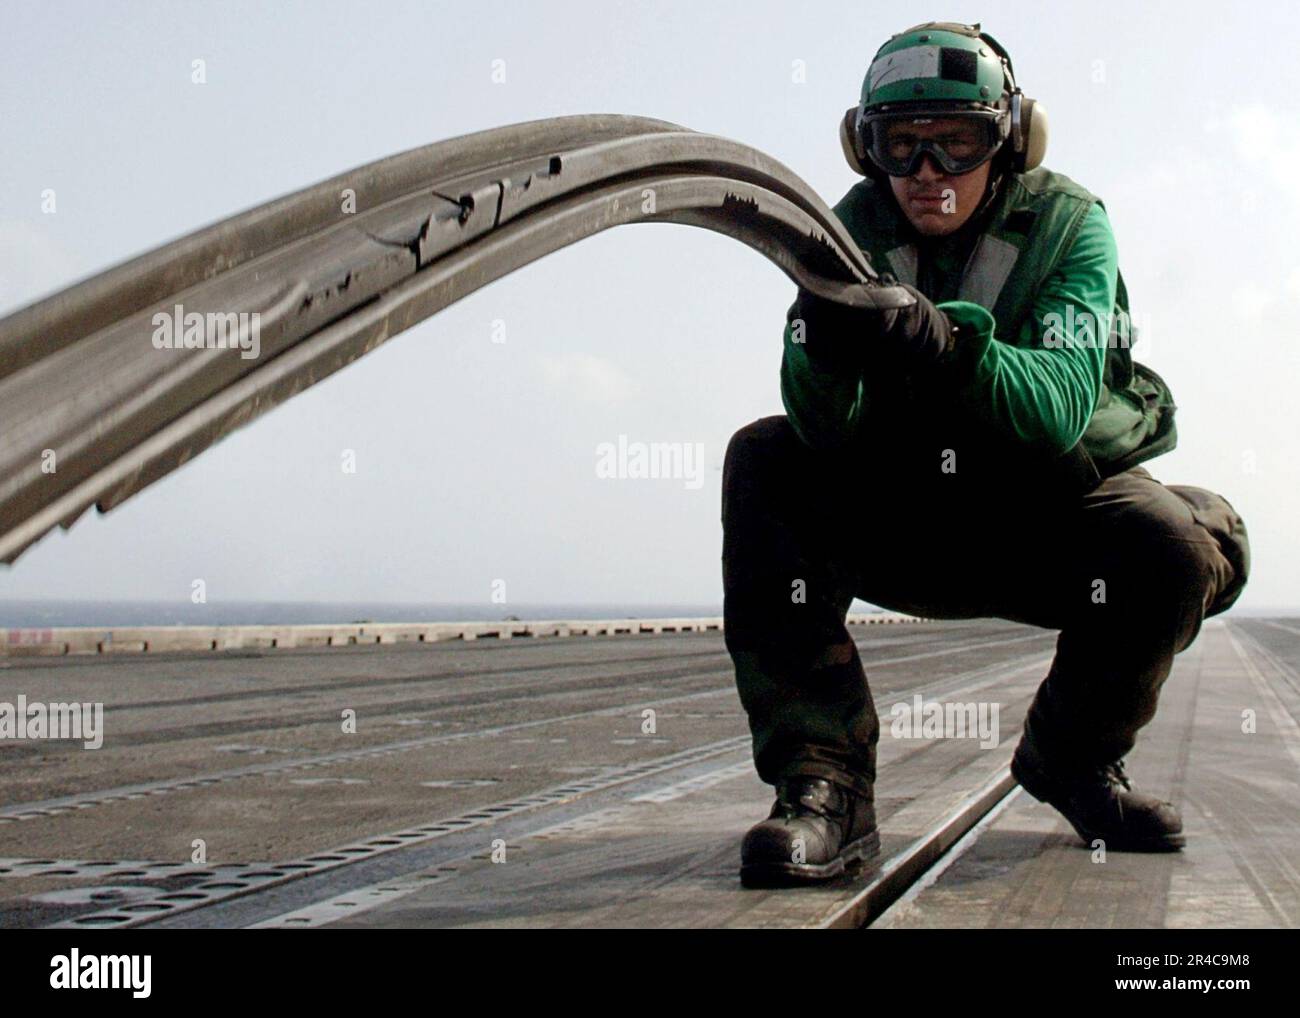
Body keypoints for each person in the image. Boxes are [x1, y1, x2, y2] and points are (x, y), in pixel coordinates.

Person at [726, 21, 1251, 887]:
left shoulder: (1072, 227)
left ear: (1008, 136)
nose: (927, 174)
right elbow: (821, 426)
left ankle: (1071, 759)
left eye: (955, 142)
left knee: (1181, 540)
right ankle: (824, 786)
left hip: (1038, 523)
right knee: (766, 461)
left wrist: (945, 344)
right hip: (906, 524)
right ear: (868, 148)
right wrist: (817, 349)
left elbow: (1056, 407)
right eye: (903, 145)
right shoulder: (845, 229)